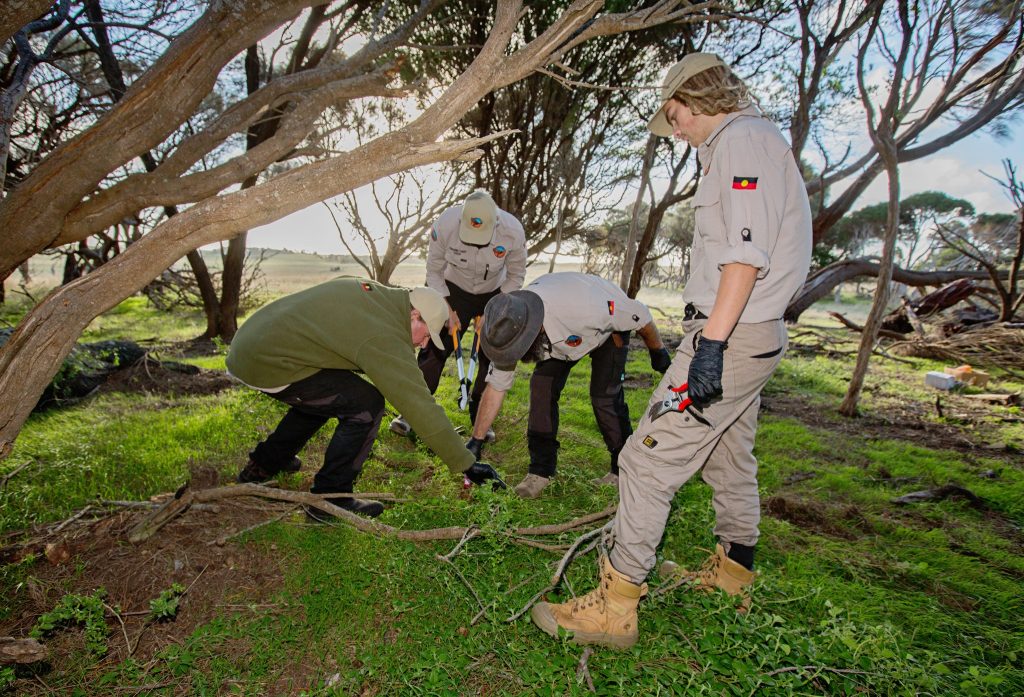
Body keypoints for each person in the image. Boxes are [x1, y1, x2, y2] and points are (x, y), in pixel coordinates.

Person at [530, 53, 812, 648]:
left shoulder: (742, 142)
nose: (675, 128)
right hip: (749, 332)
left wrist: (711, 346)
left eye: (674, 114)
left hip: (731, 334)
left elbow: (745, 257)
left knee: (646, 460)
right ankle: (733, 577)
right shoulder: (745, 144)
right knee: (728, 455)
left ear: (694, 97)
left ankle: (615, 606)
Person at [226, 277, 504, 519]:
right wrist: (466, 463)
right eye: (427, 335)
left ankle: (265, 464)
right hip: (265, 362)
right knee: (366, 405)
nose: (424, 344)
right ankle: (330, 498)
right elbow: (418, 405)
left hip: (253, 342)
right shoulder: (383, 335)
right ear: (414, 315)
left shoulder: (377, 295)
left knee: (328, 395)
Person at [468, 272, 672, 499]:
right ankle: (540, 471)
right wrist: (476, 440)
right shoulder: (510, 322)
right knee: (541, 388)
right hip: (560, 344)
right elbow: (496, 387)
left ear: (534, 330)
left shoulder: (588, 309)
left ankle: (622, 470)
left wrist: (658, 351)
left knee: (604, 397)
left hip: (607, 332)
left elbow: (640, 313)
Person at [390, 189, 527, 441]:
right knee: (434, 348)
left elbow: (516, 275)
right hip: (451, 289)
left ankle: (481, 419)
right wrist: (445, 308)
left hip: (495, 292)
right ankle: (411, 413)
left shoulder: (513, 231)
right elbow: (434, 271)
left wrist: (494, 310)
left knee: (490, 355)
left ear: (496, 223)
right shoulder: (445, 224)